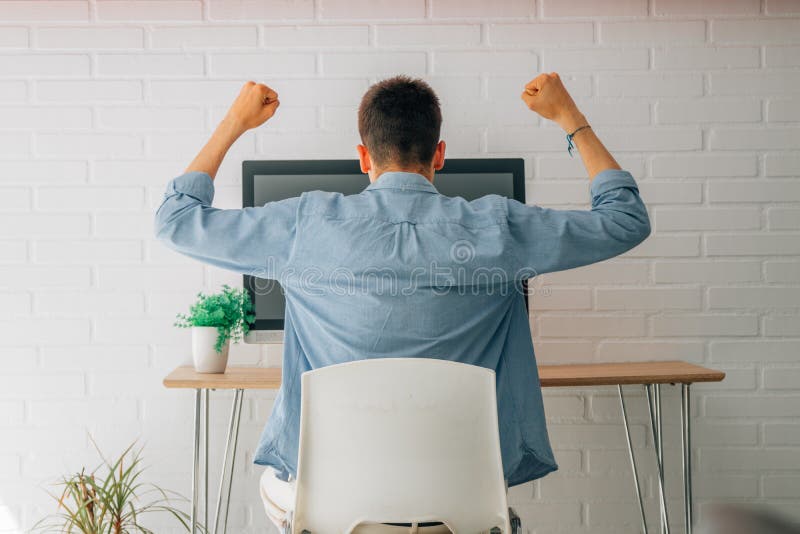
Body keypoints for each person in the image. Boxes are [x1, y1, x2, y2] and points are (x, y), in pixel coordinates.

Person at [154, 72, 651, 531]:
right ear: (439, 154)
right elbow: (626, 220)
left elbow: (175, 220)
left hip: (333, 510)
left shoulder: (304, 226)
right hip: (463, 508)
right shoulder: (500, 229)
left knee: (275, 483)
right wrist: (569, 118)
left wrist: (236, 122)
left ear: (364, 157)